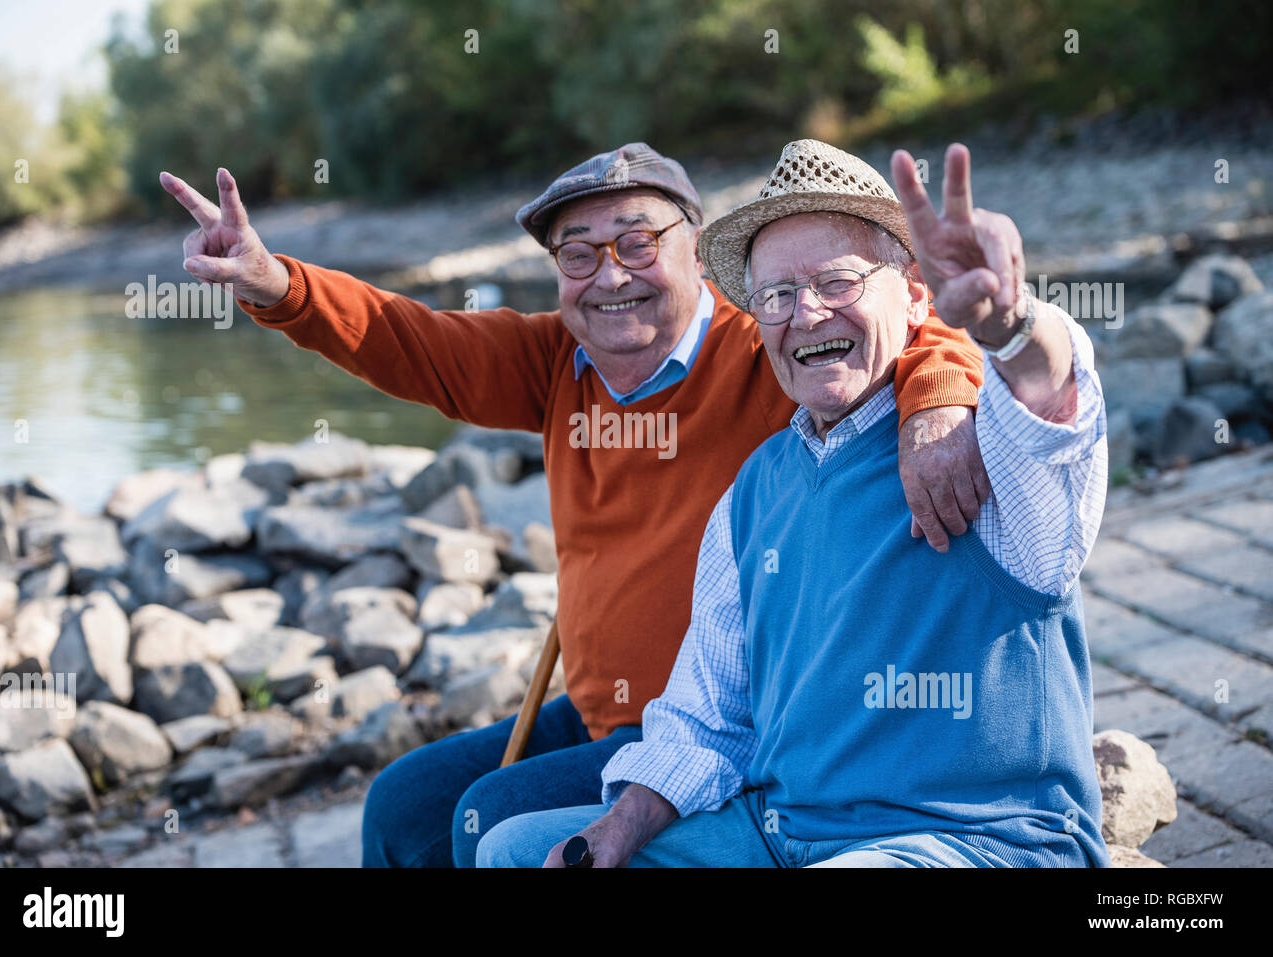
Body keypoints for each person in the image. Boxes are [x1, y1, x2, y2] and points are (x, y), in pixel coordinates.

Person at [159, 143, 988, 868]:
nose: (611, 275)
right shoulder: (557, 360)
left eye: (637, 242)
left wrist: (940, 400)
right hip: (598, 712)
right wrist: (276, 284)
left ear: (695, 248)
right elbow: (404, 339)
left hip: (721, 725)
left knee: (487, 817)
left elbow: (911, 327)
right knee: (399, 807)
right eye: (578, 254)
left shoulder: (767, 340)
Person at [476, 139, 1110, 868]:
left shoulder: (980, 441)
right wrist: (617, 829)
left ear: (913, 295)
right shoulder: (753, 491)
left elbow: (1054, 402)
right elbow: (707, 719)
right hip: (779, 833)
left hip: (974, 839)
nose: (805, 313)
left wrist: (1012, 325)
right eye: (776, 294)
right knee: (510, 849)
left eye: (837, 282)